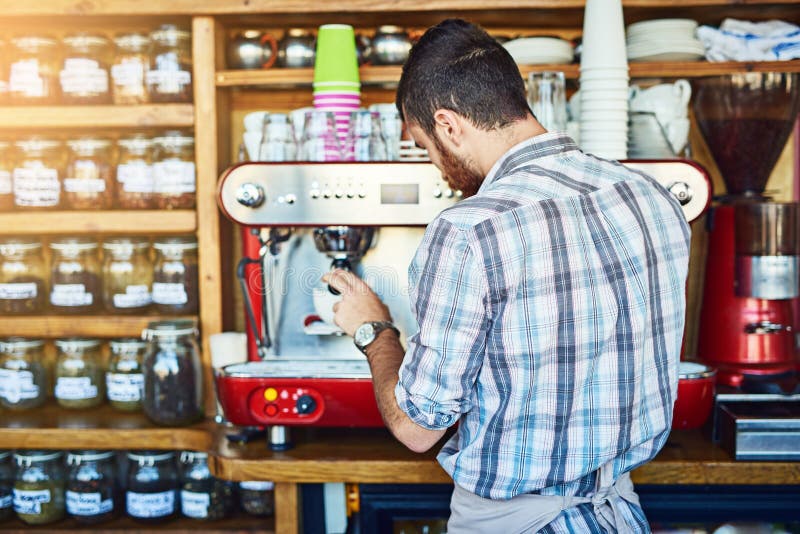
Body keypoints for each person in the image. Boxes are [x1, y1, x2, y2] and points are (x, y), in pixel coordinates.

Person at [324, 18, 690, 533]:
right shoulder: (651, 197)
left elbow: (416, 428)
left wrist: (374, 328)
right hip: (620, 516)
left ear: (449, 125)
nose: (438, 167)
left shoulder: (470, 230)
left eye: (428, 148)